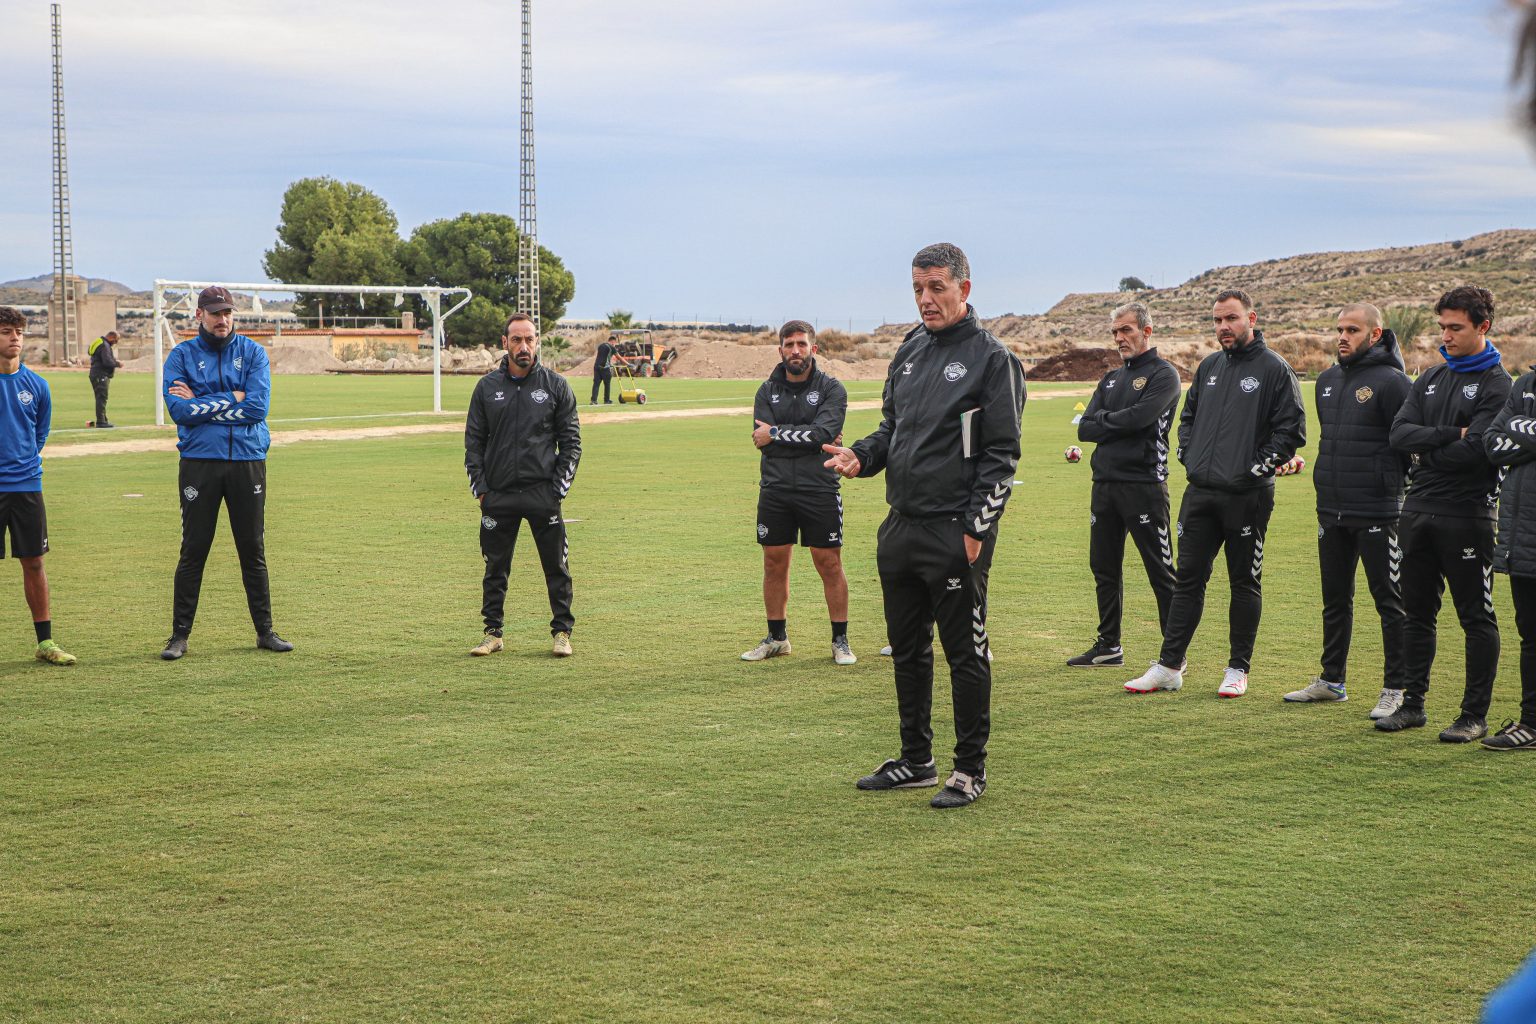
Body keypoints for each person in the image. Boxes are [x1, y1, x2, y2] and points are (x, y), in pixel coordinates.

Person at [824, 242, 1024, 809]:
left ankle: (969, 770)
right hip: (901, 528)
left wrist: (975, 530)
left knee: (966, 653)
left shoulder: (992, 359)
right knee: (908, 651)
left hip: (954, 531)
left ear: (965, 287)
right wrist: (863, 455)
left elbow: (1002, 455)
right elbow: (893, 427)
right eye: (917, 288)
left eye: (936, 287)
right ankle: (915, 761)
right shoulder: (910, 350)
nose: (926, 299)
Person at [1123, 289, 1306, 698]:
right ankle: (1170, 666)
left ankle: (1237, 668)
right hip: (1200, 493)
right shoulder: (1209, 367)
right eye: (1218, 320)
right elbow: (1187, 419)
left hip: (1248, 497)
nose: (1223, 327)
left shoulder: (1275, 369)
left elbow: (1291, 431)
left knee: (1244, 582)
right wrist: (1189, 454)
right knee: (1186, 581)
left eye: (1231, 319)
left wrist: (1252, 469)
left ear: (1251, 318)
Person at [1377, 286, 1511, 740]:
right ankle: (1412, 705)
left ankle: (1473, 716)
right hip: (1417, 512)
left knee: (1475, 616)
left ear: (1483, 326)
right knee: (1417, 614)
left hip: (1467, 514)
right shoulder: (1431, 378)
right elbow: (1398, 434)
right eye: (1442, 327)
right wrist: (1451, 434)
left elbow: (1479, 452)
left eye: (1455, 328)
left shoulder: (1498, 383)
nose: (1446, 336)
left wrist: (1426, 449)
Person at [1283, 304, 1412, 718]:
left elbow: (1409, 448)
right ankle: (1331, 681)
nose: (1342, 336)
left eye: (1352, 329)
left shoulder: (1393, 383)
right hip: (1331, 509)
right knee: (1335, 599)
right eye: (1338, 329)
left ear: (1375, 334)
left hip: (1377, 511)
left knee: (1389, 602)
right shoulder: (1325, 381)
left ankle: (1396, 688)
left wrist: (1390, 492)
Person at [160, 286, 291, 660]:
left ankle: (265, 632)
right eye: (215, 313)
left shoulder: (252, 352)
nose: (223, 320)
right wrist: (231, 397)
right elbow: (179, 412)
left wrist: (203, 404)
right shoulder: (182, 354)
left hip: (247, 459)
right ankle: (179, 636)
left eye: (228, 312)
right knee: (194, 550)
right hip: (200, 463)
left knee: (252, 549)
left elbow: (256, 409)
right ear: (199, 315)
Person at [1068, 301, 1180, 669]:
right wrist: (1113, 421)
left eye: (1126, 330)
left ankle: (1172, 656)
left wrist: (1106, 420)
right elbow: (1085, 428)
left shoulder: (1164, 375)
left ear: (1147, 331)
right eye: (1115, 332)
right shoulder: (1111, 379)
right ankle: (1108, 646)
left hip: (1144, 485)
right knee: (1103, 567)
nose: (1119, 338)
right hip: (1104, 486)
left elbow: (1143, 419)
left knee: (1160, 572)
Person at [465, 312, 582, 657]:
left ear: (537, 342)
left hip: (541, 494)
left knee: (556, 567)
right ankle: (493, 633)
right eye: (516, 339)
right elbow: (474, 443)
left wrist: (556, 490)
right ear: (504, 343)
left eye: (529, 339)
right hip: (498, 495)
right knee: (495, 567)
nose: (523, 346)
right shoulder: (487, 388)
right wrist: (483, 490)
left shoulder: (556, 386)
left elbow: (572, 443)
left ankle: (562, 632)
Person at [741, 320, 853, 665]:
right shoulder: (765, 391)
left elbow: (825, 433)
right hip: (775, 489)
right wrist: (807, 439)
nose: (795, 351)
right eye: (789, 345)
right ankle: (777, 638)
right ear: (780, 351)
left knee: (828, 563)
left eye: (802, 344)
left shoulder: (833, 389)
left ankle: (840, 640)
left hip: (818, 489)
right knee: (774, 564)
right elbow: (765, 444)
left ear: (813, 349)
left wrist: (777, 433)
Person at [0, 306, 75, 665]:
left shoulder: (37, 386)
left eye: (19, 331)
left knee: (33, 563)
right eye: (5, 331)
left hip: (26, 485)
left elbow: (38, 435)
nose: (14, 337)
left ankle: (45, 643)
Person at [1482, 355, 1536, 749]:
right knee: (1531, 635)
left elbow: (1511, 435)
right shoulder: (1526, 384)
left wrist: (1523, 431)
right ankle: (1532, 724)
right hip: (1524, 538)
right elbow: (1493, 442)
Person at [87, 330, 121, 428]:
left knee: (100, 398)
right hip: (100, 375)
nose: (115, 343)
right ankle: (101, 422)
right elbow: (107, 361)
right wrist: (117, 364)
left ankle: (103, 420)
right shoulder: (105, 345)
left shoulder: (98, 342)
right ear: (111, 337)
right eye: (115, 340)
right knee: (101, 398)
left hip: (96, 374)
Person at [590, 335, 615, 405]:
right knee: (607, 384)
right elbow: (619, 357)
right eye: (614, 343)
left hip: (596, 367)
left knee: (596, 384)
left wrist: (610, 363)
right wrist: (628, 364)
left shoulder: (601, 346)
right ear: (613, 341)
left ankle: (593, 400)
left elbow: (604, 356)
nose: (614, 344)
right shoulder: (612, 347)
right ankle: (606, 400)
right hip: (605, 368)